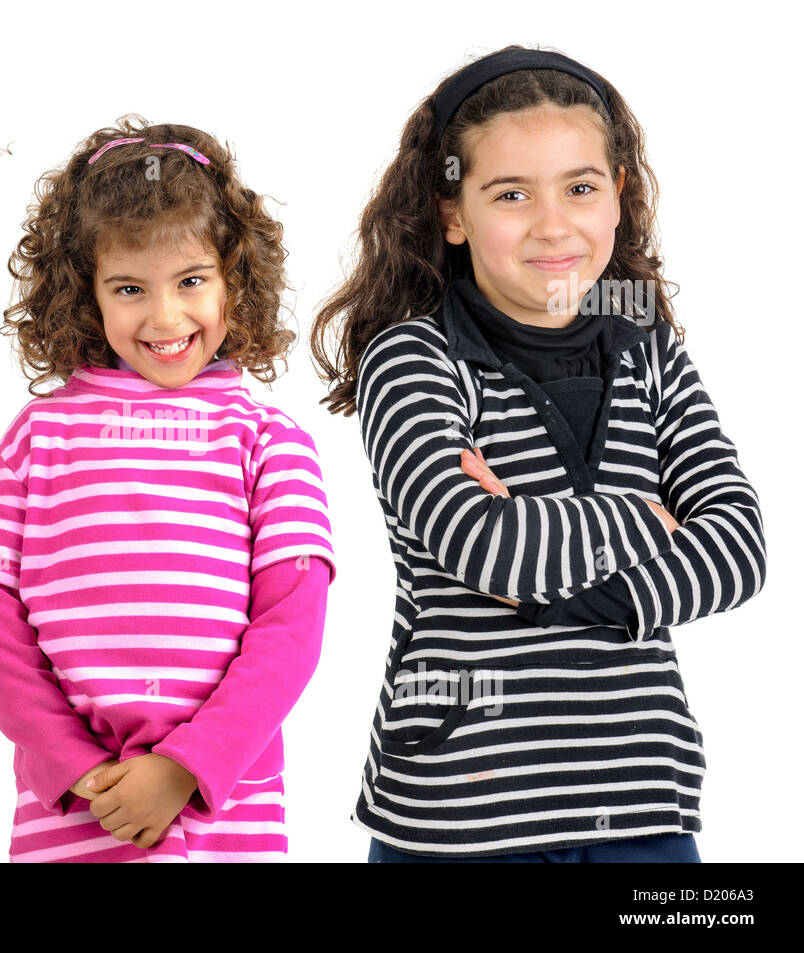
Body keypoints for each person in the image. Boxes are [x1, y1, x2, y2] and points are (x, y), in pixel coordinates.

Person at [309, 46, 766, 861]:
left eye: (581, 188)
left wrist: (556, 581)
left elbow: (738, 547)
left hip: (643, 809)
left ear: (618, 197)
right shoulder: (416, 358)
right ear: (452, 213)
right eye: (511, 194)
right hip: (460, 814)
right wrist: (650, 519)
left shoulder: (649, 349)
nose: (554, 225)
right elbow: (477, 543)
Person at [0, 117, 337, 861]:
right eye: (130, 287)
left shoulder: (267, 439)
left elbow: (292, 626)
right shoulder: (38, 436)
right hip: (74, 814)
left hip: (224, 817)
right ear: (85, 294)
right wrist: (78, 766)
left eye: (191, 280)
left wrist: (186, 767)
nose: (165, 317)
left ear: (235, 279)